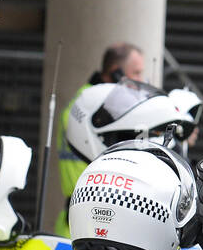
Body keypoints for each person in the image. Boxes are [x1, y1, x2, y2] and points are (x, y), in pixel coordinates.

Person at [55, 43, 146, 234]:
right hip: (87, 221)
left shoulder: (88, 103)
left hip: (86, 219)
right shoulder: (92, 109)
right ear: (116, 73)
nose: (141, 81)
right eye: (136, 73)